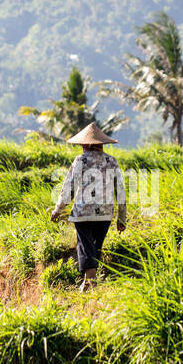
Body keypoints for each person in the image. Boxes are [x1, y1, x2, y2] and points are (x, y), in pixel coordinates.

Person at [50, 123, 127, 291]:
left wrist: (58, 209)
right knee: (95, 247)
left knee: (85, 246)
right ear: (101, 145)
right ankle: (89, 283)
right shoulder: (111, 161)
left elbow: (69, 188)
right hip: (105, 215)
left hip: (83, 214)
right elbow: (120, 191)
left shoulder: (81, 160)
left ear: (87, 145)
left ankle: (89, 282)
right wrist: (122, 218)